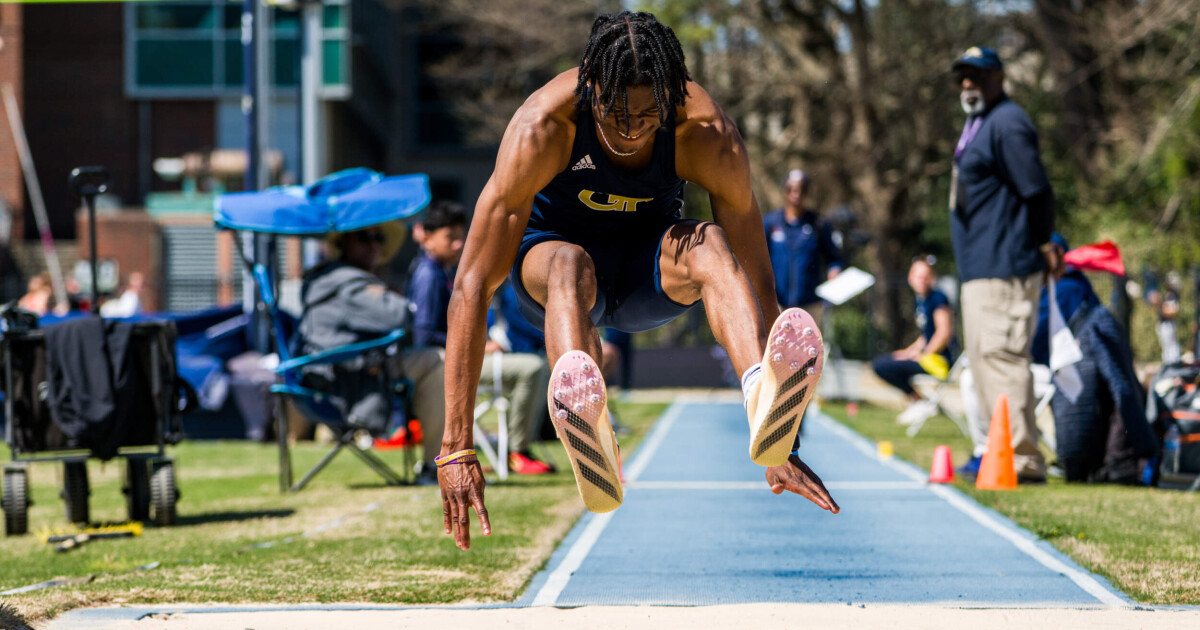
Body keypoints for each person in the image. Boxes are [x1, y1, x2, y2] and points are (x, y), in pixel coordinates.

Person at [438, 10, 838, 551]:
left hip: (646, 273)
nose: (631, 129)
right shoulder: (543, 127)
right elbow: (471, 288)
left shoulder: (706, 133)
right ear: (591, 88)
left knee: (711, 242)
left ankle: (757, 398)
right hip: (555, 275)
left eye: (649, 115)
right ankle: (588, 421)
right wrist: (456, 446)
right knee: (569, 264)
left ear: (670, 100)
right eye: (617, 113)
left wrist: (779, 439)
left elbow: (756, 278)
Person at [949, 46, 1063, 484]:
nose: (968, 84)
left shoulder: (1008, 122)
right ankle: (994, 452)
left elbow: (1037, 191)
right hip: (980, 269)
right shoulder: (980, 123)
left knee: (1003, 360)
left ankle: (1023, 460)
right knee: (983, 364)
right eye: (963, 76)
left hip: (1006, 268)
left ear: (999, 77)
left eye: (977, 75)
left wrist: (1045, 242)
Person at [409, 202, 556, 475]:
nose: (458, 244)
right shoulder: (429, 275)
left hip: (456, 357)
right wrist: (477, 345)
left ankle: (515, 446)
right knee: (532, 368)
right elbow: (424, 335)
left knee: (532, 364)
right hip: (446, 363)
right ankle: (517, 451)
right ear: (427, 238)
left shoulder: (441, 271)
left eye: (460, 237)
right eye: (450, 237)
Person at [296, 222, 447, 484]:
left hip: (329, 376)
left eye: (378, 238)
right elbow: (400, 314)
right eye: (364, 238)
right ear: (344, 243)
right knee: (435, 359)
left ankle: (436, 459)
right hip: (344, 381)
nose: (374, 244)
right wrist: (387, 293)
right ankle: (436, 466)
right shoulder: (348, 283)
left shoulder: (330, 279)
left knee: (428, 359)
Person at [870, 256, 957, 426]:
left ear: (931, 277)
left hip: (939, 362)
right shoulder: (919, 300)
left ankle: (919, 401)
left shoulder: (938, 298)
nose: (921, 279)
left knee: (883, 366)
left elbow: (943, 332)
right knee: (884, 362)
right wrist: (908, 352)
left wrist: (924, 354)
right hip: (928, 357)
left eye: (925, 276)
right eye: (918, 275)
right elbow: (926, 335)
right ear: (910, 277)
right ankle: (918, 401)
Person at [762, 169, 843, 324]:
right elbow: (758, 259)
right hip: (776, 304)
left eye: (801, 190)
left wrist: (835, 270)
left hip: (810, 306)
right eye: (791, 189)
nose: (796, 194)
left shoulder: (819, 224)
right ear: (784, 191)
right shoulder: (770, 223)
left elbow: (834, 258)